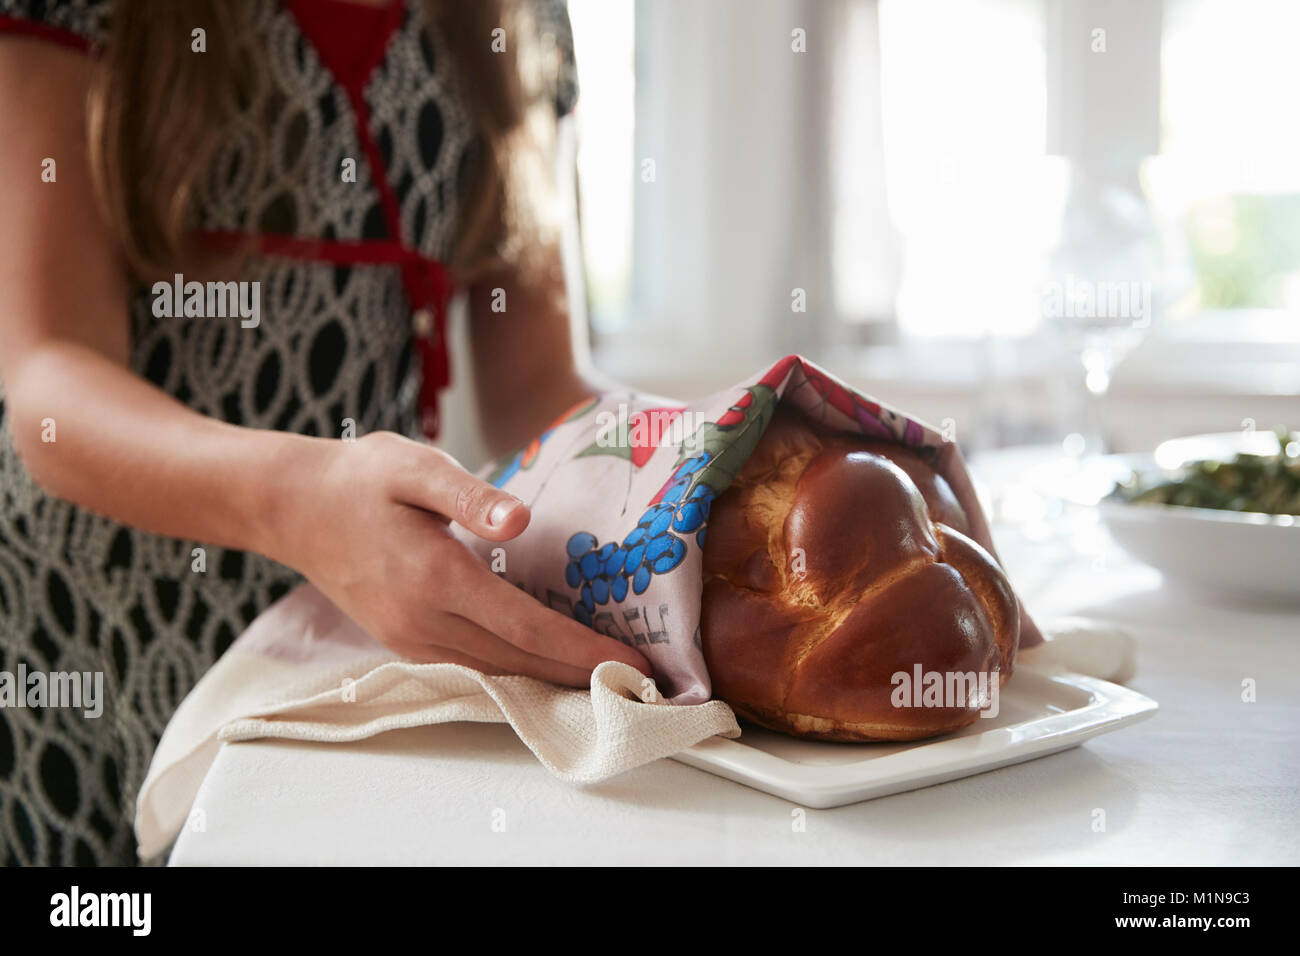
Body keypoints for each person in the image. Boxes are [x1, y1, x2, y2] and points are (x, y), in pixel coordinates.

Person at [0, 0, 650, 866]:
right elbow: (47, 373)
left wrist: (692, 451)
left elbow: (534, 388)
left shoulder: (521, 18)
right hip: (80, 636)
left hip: (334, 661)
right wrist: (294, 501)